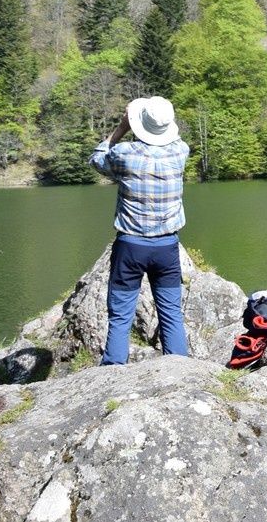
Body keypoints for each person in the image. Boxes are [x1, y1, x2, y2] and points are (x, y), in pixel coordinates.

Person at [89, 96, 191, 365]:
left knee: (121, 314)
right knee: (170, 313)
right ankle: (180, 369)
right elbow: (170, 139)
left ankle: (113, 369)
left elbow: (97, 159)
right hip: (167, 247)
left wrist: (120, 129)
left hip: (131, 247)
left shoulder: (124, 155)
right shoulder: (181, 152)